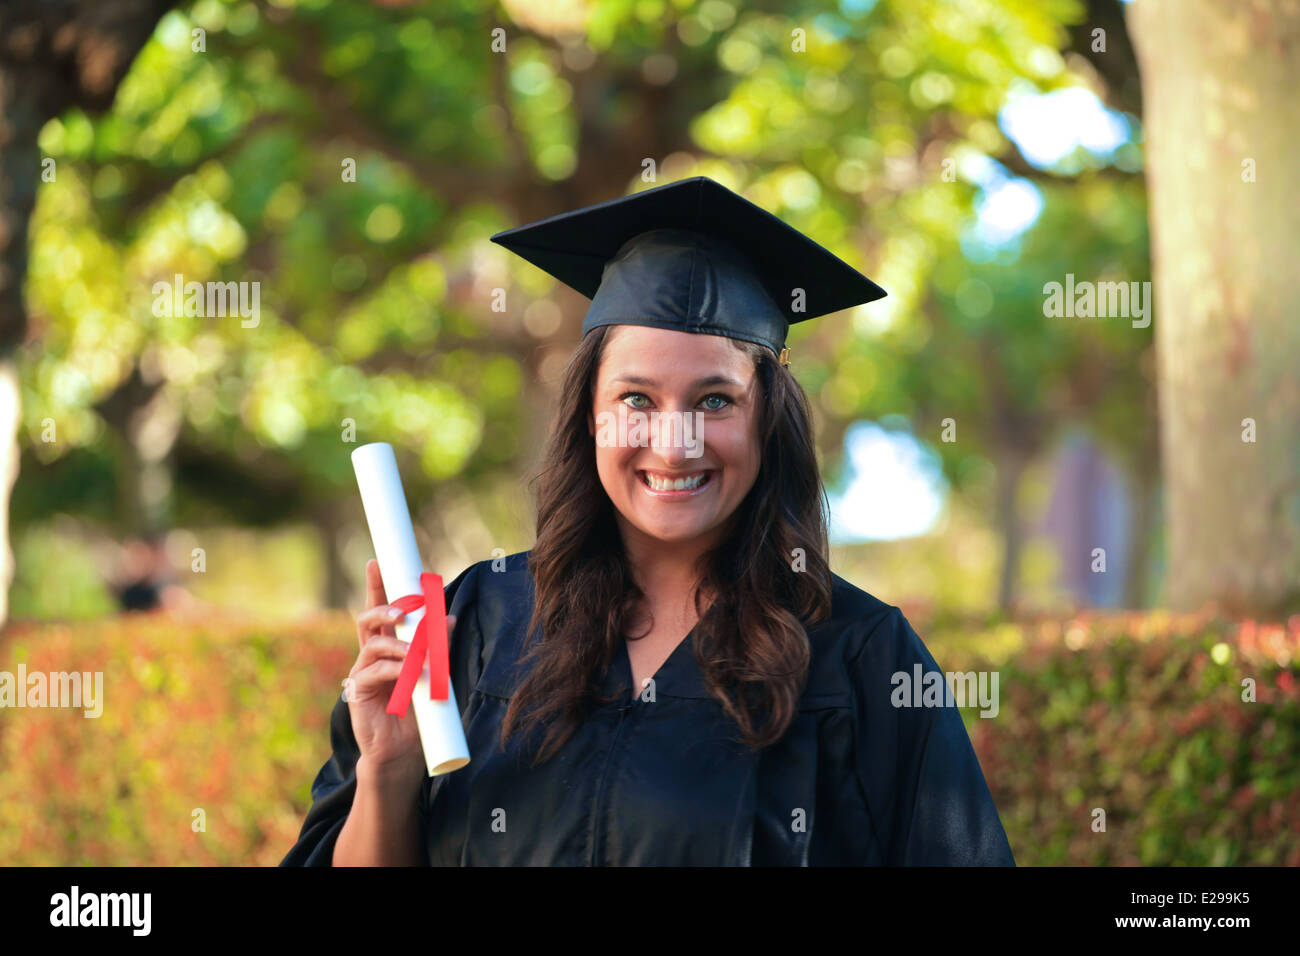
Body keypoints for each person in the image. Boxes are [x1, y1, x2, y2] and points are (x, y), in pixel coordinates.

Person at [282, 176, 1015, 866]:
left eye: (715, 401)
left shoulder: (860, 658)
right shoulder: (472, 625)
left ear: (767, 421)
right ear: (590, 417)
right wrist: (388, 771)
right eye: (637, 399)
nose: (675, 442)